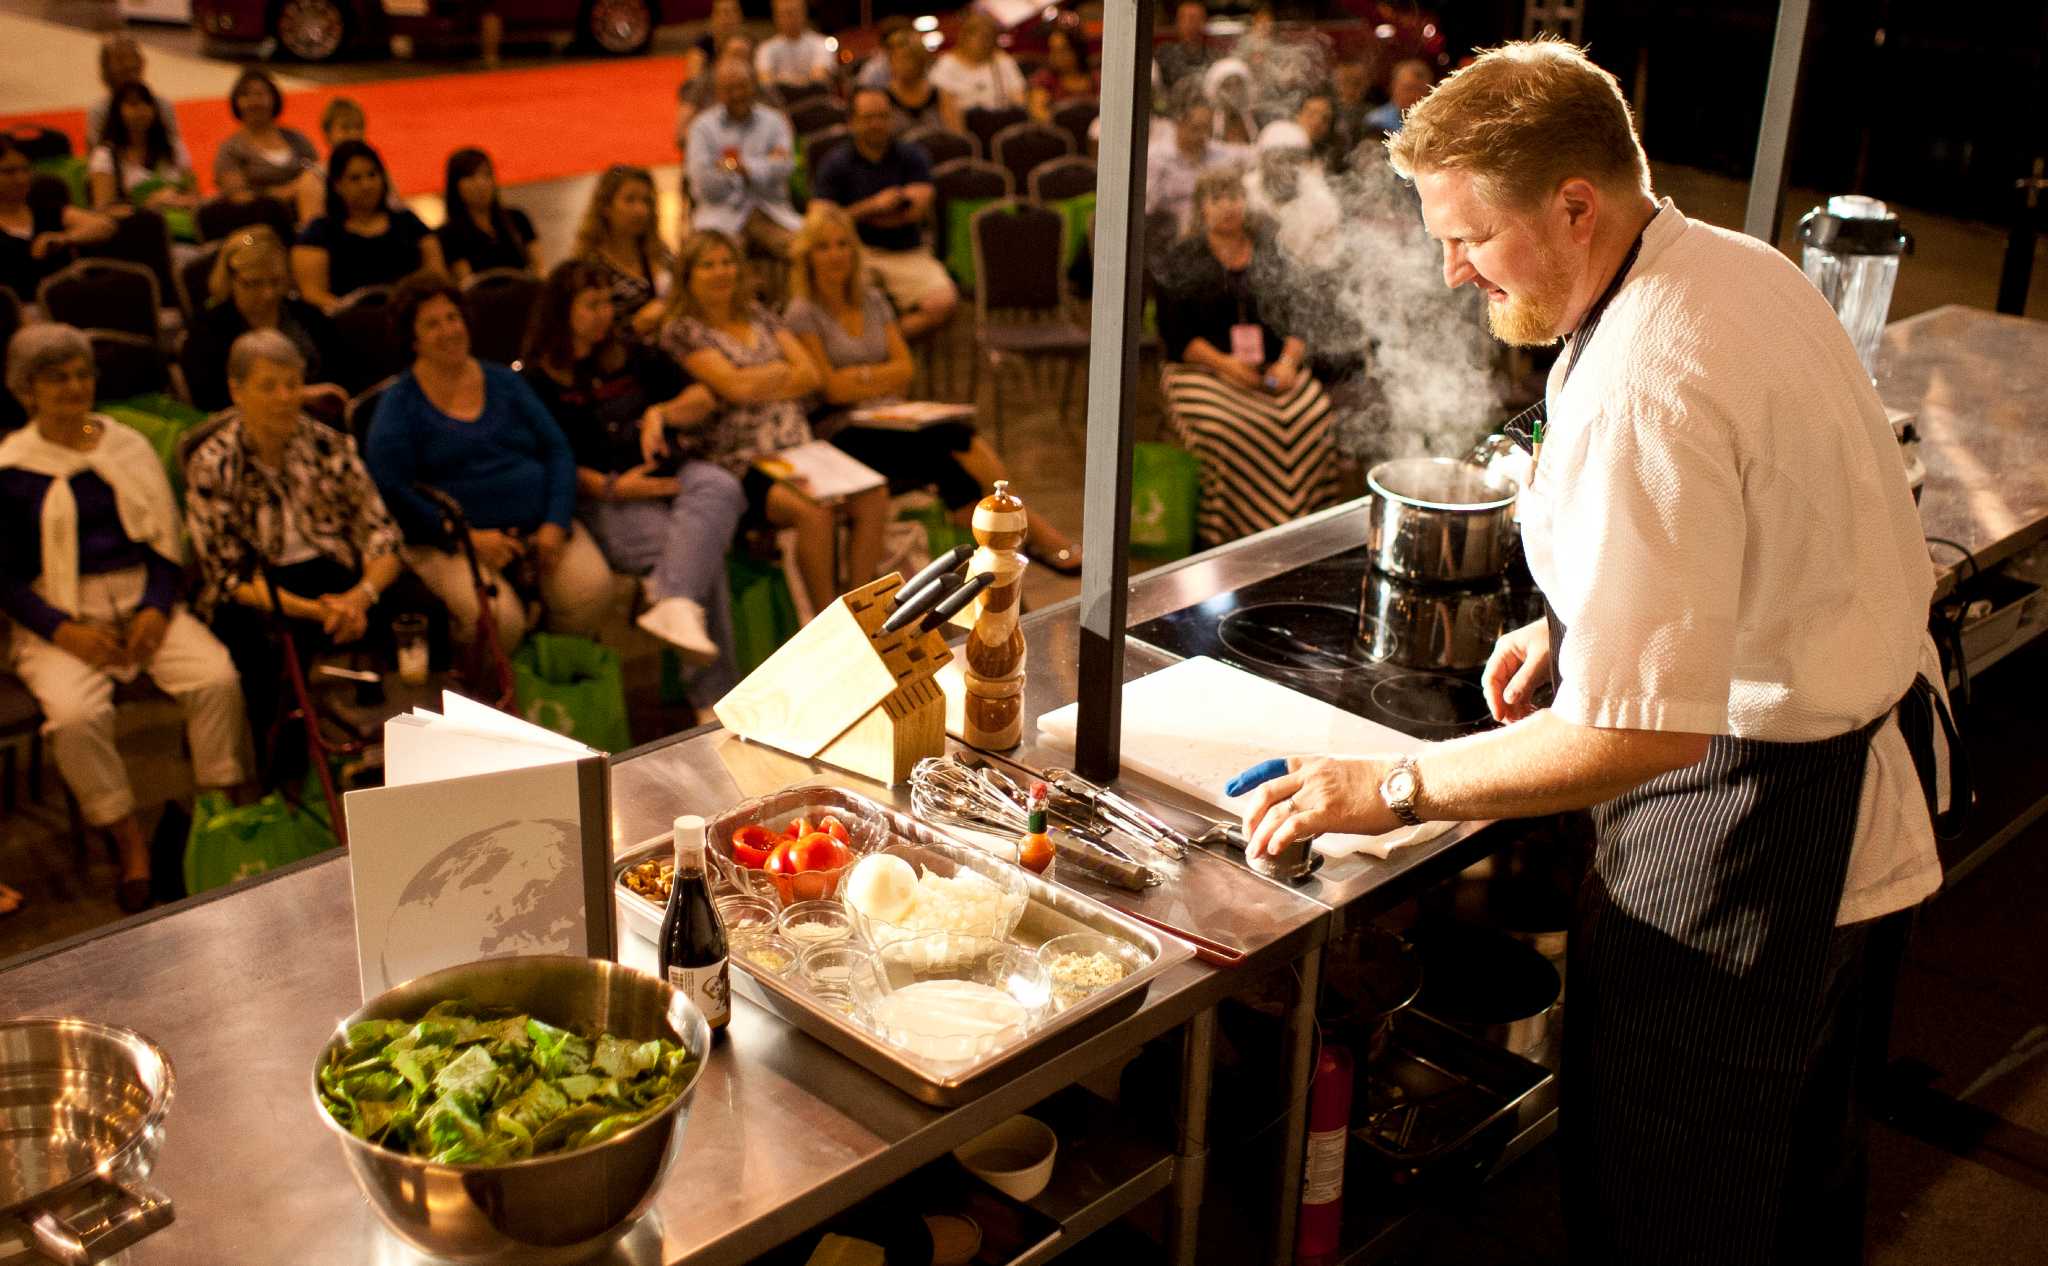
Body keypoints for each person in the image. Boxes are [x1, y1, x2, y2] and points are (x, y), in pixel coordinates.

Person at [1235, 41, 1950, 1265]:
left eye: (1469, 236)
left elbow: (1641, 734)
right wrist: (1579, 625)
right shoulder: (1731, 264)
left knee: (1663, 1203)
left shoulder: (1644, 376)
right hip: (1840, 791)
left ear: (1575, 202)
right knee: (1794, 1180)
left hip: (1750, 838)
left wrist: (1392, 788)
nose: (1450, 271)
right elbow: (1747, 522)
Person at [0, 325, 252, 913]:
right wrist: (64, 631)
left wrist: (156, 608)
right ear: (26, 391)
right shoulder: (12, 467)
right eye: (56, 377)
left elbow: (165, 540)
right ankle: (127, 838)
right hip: (56, 613)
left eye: (81, 374)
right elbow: (5, 580)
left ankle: (213, 817)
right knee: (73, 715)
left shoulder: (127, 447)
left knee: (216, 678)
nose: (73, 387)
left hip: (143, 598)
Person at [784, 204, 1079, 572]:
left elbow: (905, 369)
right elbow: (831, 390)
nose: (835, 255)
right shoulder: (802, 312)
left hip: (889, 416)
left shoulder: (872, 301)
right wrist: (876, 375)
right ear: (807, 256)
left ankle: (1012, 537)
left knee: (952, 447)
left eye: (843, 244)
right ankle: (1030, 534)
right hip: (839, 428)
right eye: (823, 246)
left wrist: (858, 377)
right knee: (950, 442)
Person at [521, 261, 743, 701]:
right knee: (695, 553)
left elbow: (702, 397)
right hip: (607, 497)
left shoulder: (632, 353)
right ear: (562, 311)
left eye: (607, 302)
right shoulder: (538, 378)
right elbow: (549, 460)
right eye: (591, 304)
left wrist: (660, 414)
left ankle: (671, 602)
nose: (604, 313)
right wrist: (612, 487)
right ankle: (713, 699)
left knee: (721, 485)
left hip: (670, 475)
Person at [365, 275, 614, 655]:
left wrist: (555, 523)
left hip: (536, 526)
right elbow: (391, 490)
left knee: (591, 590)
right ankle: (483, 701)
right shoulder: (399, 406)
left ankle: (547, 676)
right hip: (448, 541)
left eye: (453, 318)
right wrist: (464, 536)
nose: (449, 330)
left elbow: (557, 450)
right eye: (432, 324)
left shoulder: (503, 381)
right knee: (497, 621)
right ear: (412, 339)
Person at [183, 330, 404, 755]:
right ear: (237, 391)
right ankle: (286, 770)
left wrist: (360, 596)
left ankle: (394, 749)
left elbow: (380, 532)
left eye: (292, 384)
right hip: (258, 588)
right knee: (264, 652)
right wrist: (316, 611)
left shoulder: (329, 444)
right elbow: (226, 574)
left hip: (335, 571)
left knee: (418, 615)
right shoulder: (213, 464)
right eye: (269, 387)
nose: (285, 397)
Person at [659, 229, 885, 608]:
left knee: (873, 495)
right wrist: (780, 371)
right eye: (708, 265)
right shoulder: (682, 330)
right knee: (815, 511)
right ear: (688, 276)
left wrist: (755, 377)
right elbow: (734, 389)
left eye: (727, 262)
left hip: (799, 444)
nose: (721, 273)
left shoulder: (758, 314)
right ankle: (826, 617)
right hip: (741, 458)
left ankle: (861, 605)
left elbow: (811, 374)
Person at [1155, 166, 1336, 545]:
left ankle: (1300, 528)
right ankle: (1227, 536)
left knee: (1313, 418)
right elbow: (1176, 334)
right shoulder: (1184, 257)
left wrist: (1288, 362)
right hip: (1203, 370)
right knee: (1228, 432)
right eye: (1216, 199)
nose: (1227, 207)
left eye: (1234, 196)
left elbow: (1298, 313)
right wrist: (1226, 366)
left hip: (1274, 367)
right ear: (1202, 208)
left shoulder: (1270, 248)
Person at [812, 88, 957, 340]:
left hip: (906, 252)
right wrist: (873, 207)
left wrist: (851, 214)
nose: (876, 124)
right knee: (837, 301)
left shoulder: (912, 155)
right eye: (868, 118)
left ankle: (884, 344)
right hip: (857, 252)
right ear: (852, 122)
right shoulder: (835, 163)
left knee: (942, 302)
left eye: (882, 117)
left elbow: (916, 208)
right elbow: (818, 219)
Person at [180, 226, 344, 414]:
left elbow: (340, 374)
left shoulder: (308, 316)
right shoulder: (206, 331)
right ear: (230, 280)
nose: (268, 294)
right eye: (254, 283)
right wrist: (300, 395)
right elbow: (211, 400)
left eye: (276, 281)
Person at [292, 140, 443, 313]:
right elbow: (313, 294)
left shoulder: (408, 222)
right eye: (355, 179)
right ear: (337, 185)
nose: (367, 185)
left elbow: (437, 275)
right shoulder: (318, 234)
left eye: (372, 175)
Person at [688, 60, 802, 260]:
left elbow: (786, 166)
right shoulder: (702, 127)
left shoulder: (774, 121)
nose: (737, 94)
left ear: (753, 86)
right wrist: (764, 165)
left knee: (808, 252)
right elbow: (704, 183)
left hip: (773, 213)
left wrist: (736, 166)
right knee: (718, 262)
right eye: (729, 89)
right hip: (720, 218)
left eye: (742, 86)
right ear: (718, 92)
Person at [1, 137, 116, 302]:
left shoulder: (45, 208)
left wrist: (63, 238)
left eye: (25, 170)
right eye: (8, 172)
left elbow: (104, 225)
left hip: (67, 304)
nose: (21, 179)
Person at [86, 82, 200, 241]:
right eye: (132, 104)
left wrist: (181, 201)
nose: (140, 110)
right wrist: (147, 207)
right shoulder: (105, 156)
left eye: (146, 103)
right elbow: (103, 210)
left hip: (187, 229)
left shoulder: (173, 148)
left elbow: (196, 196)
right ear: (117, 111)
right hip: (139, 236)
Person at [574, 164, 673, 342]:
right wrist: (635, 325)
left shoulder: (661, 252)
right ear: (605, 207)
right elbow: (586, 334)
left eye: (646, 201)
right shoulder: (590, 267)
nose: (641, 210)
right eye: (630, 200)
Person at [211, 70, 320, 209]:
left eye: (260, 94)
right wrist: (289, 191)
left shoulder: (297, 139)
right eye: (246, 95)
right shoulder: (230, 149)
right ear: (236, 102)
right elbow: (238, 197)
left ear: (274, 99)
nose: (254, 102)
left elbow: (318, 174)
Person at [1144, 93, 1245, 236]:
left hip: (1211, 228)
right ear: (1179, 124)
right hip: (1168, 231)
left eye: (1207, 129)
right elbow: (1147, 207)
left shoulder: (1216, 152)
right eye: (1196, 129)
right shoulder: (1156, 158)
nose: (1202, 136)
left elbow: (1252, 152)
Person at [435, 148, 538, 282]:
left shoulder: (517, 219)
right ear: (455, 186)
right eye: (470, 177)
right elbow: (466, 281)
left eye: (486, 175)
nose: (480, 184)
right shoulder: (448, 234)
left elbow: (538, 266)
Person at [86, 35, 183, 152]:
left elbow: (175, 150)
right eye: (120, 60)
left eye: (134, 57)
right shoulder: (99, 111)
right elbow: (96, 155)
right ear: (106, 68)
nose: (129, 64)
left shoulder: (161, 105)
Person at [931, 11, 1027, 131]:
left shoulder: (1002, 61)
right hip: (968, 126)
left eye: (988, 38)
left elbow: (1019, 99)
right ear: (964, 37)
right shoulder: (947, 64)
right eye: (979, 37)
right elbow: (946, 108)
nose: (983, 43)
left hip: (1002, 123)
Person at [755, 0, 835, 93]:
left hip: (814, 100)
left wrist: (779, 78)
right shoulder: (765, 48)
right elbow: (765, 80)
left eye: (794, 12)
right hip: (779, 103)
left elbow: (819, 78)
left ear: (804, 13)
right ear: (775, 17)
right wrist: (802, 80)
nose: (790, 18)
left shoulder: (821, 43)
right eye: (785, 14)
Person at [1028, 29, 1100, 121]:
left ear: (1076, 51)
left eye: (1062, 51)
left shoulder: (1096, 78)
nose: (1055, 56)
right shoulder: (1044, 81)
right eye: (1052, 50)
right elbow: (1038, 112)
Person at [881, 31, 945, 129]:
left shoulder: (941, 95)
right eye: (895, 59)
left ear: (920, 61)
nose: (901, 65)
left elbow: (957, 137)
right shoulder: (882, 98)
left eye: (907, 59)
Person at [1153, 1, 1213, 96]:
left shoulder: (1214, 57)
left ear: (1204, 22)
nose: (1190, 24)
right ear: (1177, 23)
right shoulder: (1163, 55)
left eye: (1194, 19)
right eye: (1184, 19)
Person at [1365, 58, 1434, 134]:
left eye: (1420, 90)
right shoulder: (1377, 122)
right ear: (1393, 88)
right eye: (1408, 89)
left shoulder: (1435, 123)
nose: (1414, 95)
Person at [856, 15, 913, 89]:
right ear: (886, 47)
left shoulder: (919, 66)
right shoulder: (873, 72)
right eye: (900, 44)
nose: (905, 49)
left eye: (906, 43)